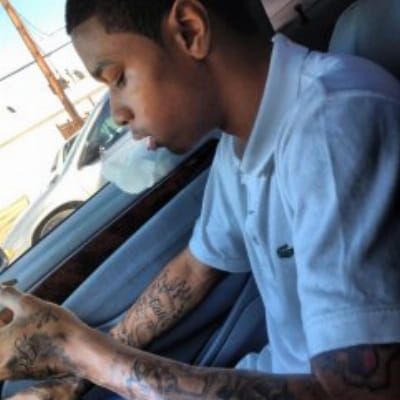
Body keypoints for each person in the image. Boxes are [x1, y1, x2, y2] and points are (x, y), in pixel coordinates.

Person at [1, 0, 400, 399]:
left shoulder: (333, 126)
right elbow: (194, 270)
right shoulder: (238, 146)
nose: (117, 113)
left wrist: (81, 352)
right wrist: (78, 378)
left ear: (190, 31)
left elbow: (359, 393)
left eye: (118, 78)